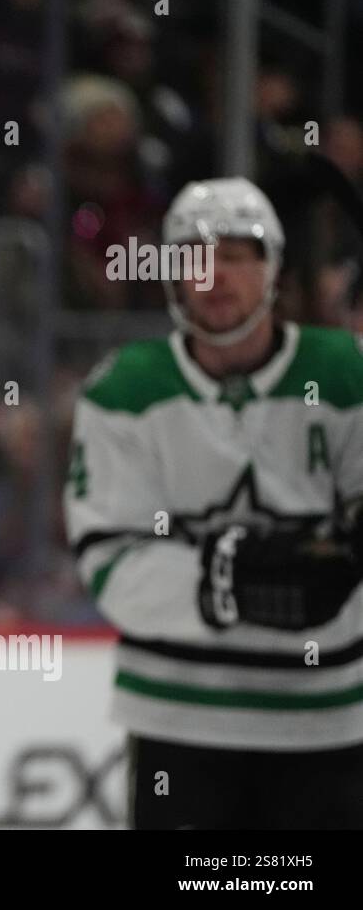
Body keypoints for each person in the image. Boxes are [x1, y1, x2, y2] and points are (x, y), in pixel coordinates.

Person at [65, 177, 363, 828]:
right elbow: (110, 562)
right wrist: (234, 580)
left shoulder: (345, 372)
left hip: (328, 721)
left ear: (273, 269)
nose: (215, 275)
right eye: (194, 257)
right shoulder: (125, 390)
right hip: (181, 722)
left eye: (236, 255)